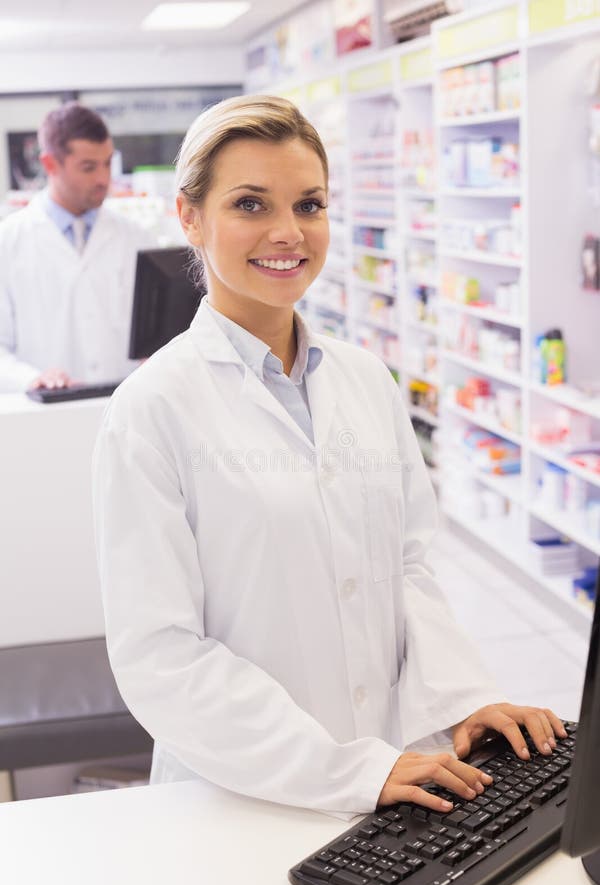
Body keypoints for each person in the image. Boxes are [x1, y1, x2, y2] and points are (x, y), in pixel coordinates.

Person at [92, 95, 566, 817]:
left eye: (308, 204)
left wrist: (466, 700)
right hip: (238, 794)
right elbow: (160, 653)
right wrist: (340, 770)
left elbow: (407, 567)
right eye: (250, 204)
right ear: (189, 217)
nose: (288, 232)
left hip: (394, 777)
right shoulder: (151, 409)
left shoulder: (365, 379)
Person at [0, 102, 155, 393]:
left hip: (124, 408)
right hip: (47, 415)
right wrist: (32, 379)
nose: (103, 179)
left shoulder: (136, 238)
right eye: (88, 167)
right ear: (50, 164)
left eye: (108, 163)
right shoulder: (8, 241)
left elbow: (158, 335)